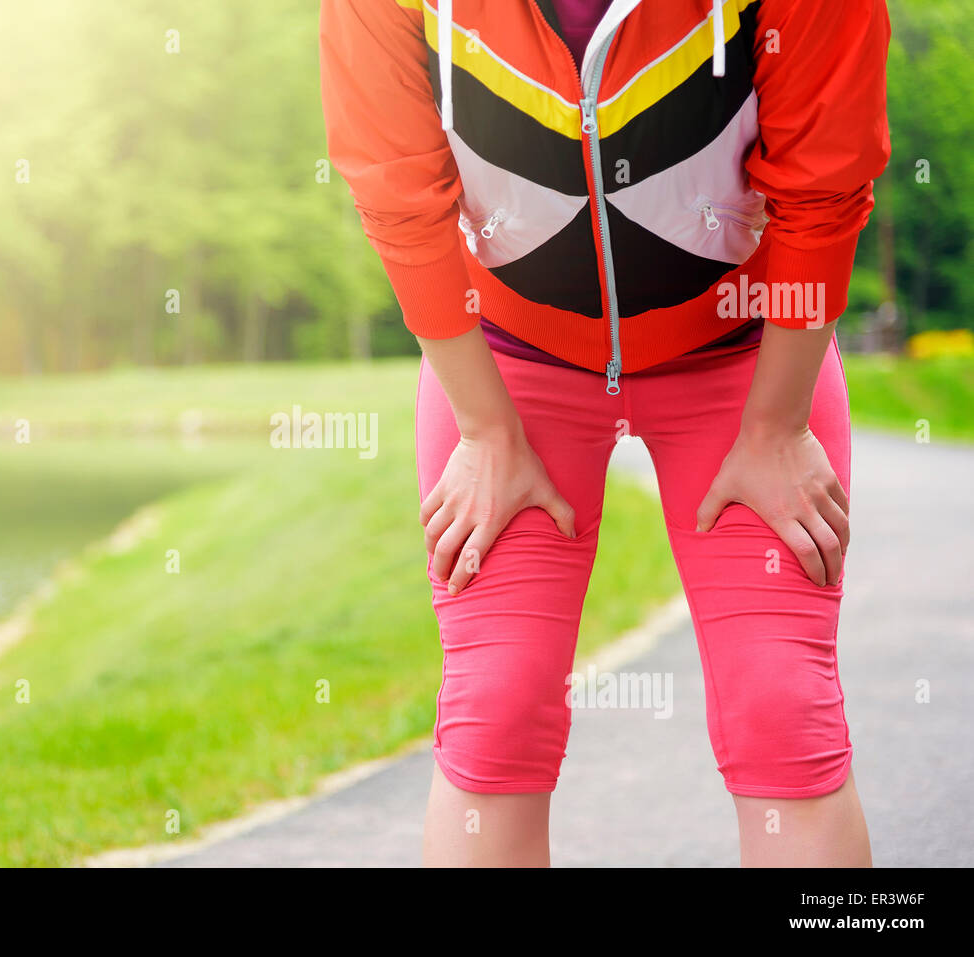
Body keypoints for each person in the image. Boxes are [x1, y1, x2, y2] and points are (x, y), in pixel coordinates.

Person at [319, 0, 890, 866]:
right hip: (508, 366)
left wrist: (775, 428)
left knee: (781, 701)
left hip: (745, 355)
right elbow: (398, 199)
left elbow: (826, 182)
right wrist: (484, 432)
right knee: (497, 705)